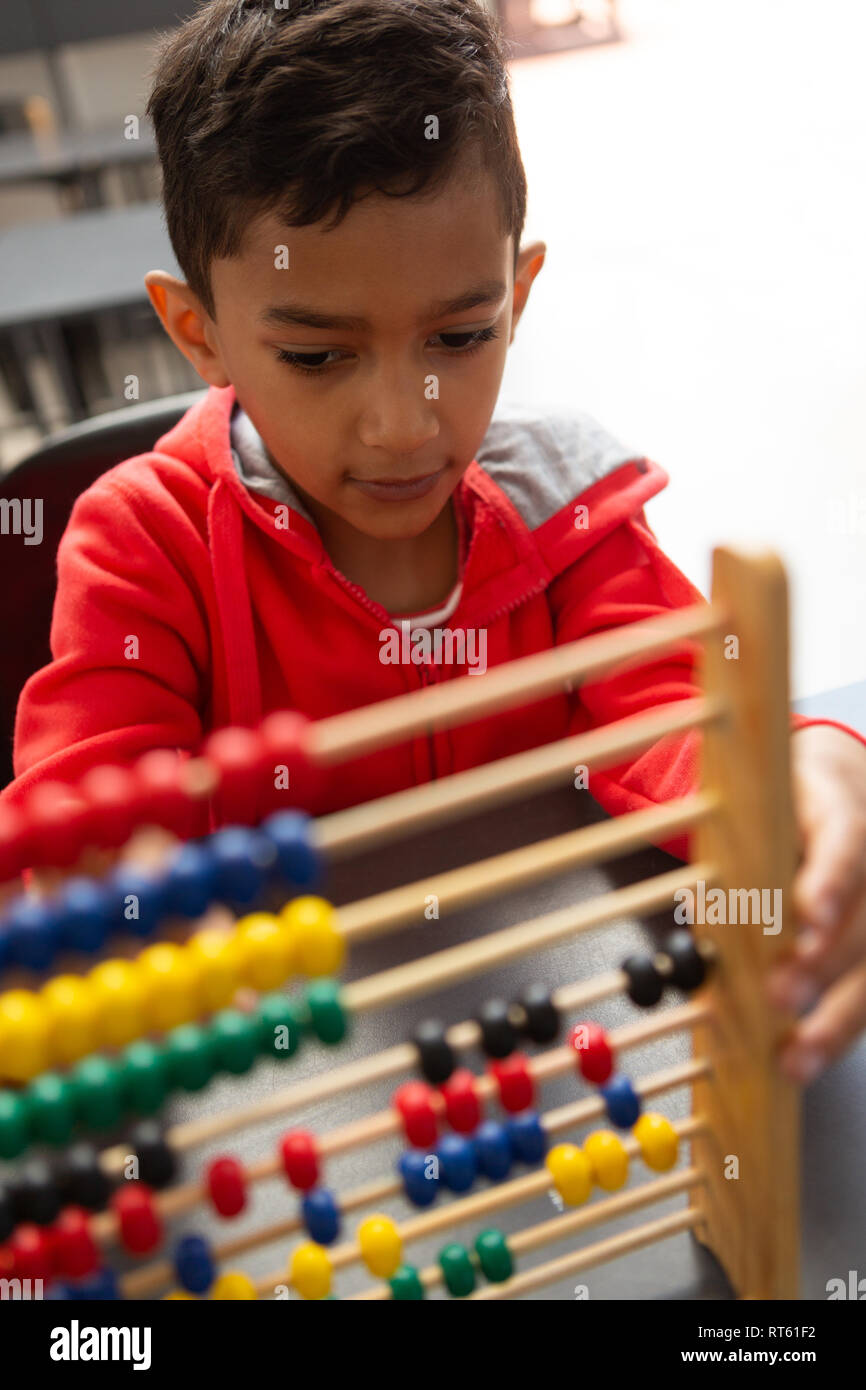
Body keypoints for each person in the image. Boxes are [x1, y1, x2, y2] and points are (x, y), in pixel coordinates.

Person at [3, 0, 866, 1083]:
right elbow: (92, 803)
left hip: (546, 1075)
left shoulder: (566, 518)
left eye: (459, 337)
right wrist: (148, 920)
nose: (405, 423)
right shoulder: (149, 543)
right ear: (198, 333)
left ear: (518, 292)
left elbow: (682, 711)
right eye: (318, 356)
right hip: (286, 1099)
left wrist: (803, 767)